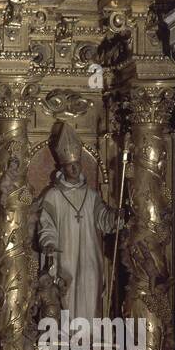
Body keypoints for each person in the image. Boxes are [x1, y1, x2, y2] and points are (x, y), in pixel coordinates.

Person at [35, 122, 119, 327]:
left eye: (77, 164)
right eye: (69, 165)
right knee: (67, 292)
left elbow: (104, 219)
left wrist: (116, 217)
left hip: (90, 253)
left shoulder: (91, 196)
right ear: (62, 167)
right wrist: (49, 242)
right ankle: (67, 334)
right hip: (65, 254)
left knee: (91, 286)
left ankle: (91, 335)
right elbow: (47, 224)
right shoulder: (53, 195)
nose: (74, 168)